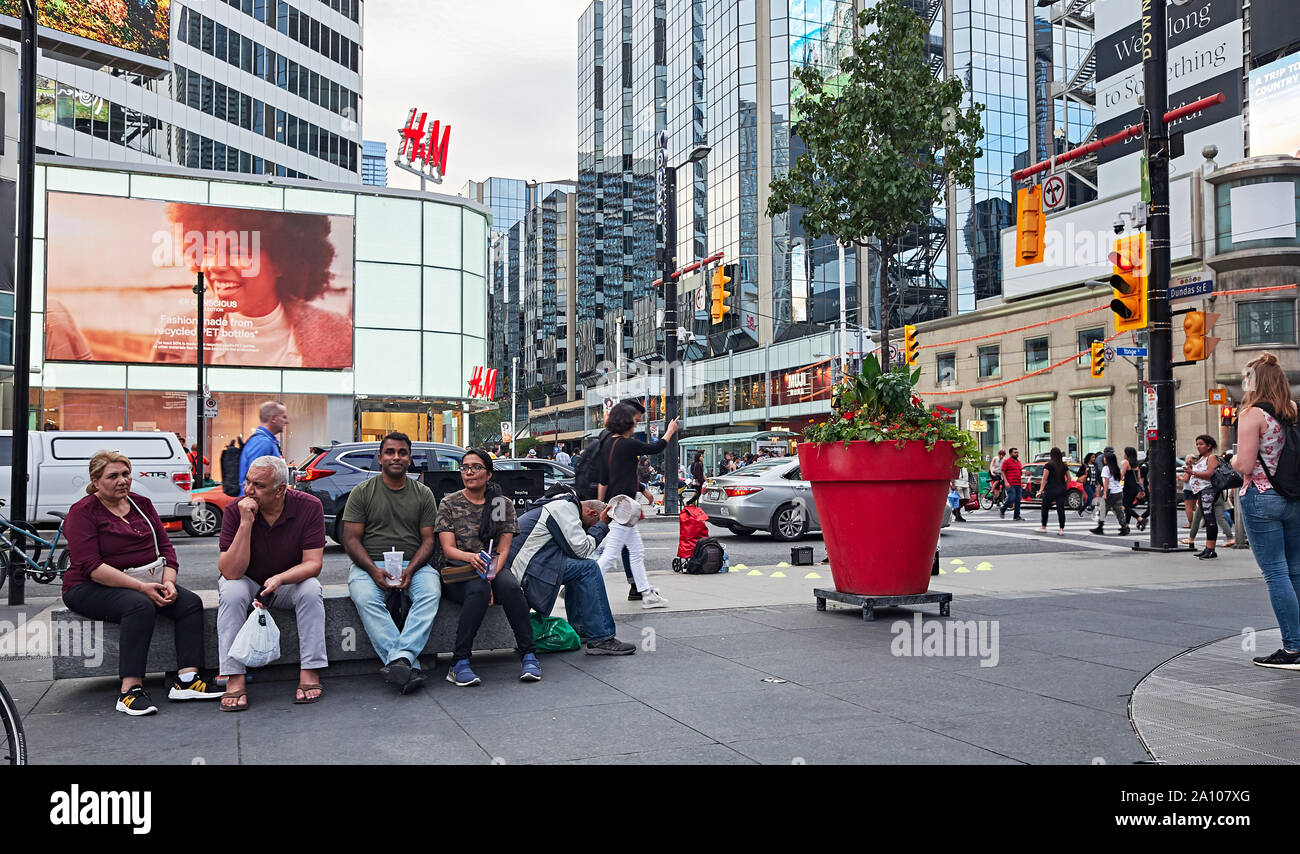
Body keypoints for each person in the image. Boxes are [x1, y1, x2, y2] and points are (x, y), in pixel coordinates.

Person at [61, 451, 222, 715]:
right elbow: (92, 567)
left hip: (146, 579)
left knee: (189, 602)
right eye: (113, 476)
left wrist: (168, 581)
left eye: (126, 474)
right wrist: (142, 588)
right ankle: (129, 690)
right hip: (89, 586)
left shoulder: (141, 504)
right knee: (139, 606)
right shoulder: (82, 512)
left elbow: (167, 549)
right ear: (96, 480)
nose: (122, 480)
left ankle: (186, 680)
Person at [150, 204, 352, 368]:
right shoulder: (177, 332)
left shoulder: (337, 332)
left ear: (280, 261)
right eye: (208, 251)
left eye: (238, 251)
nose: (216, 266)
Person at [217, 456, 328, 710]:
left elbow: (313, 564)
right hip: (246, 580)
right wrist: (246, 523)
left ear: (281, 490)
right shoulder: (236, 509)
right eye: (248, 482)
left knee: (311, 589)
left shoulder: (309, 506)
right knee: (232, 592)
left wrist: (280, 578)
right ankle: (234, 677)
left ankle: (310, 671)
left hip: (286, 582)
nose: (249, 490)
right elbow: (231, 572)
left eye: (258, 485)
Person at [342, 432, 441, 695]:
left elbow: (429, 541)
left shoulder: (423, 493)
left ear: (410, 459)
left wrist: (412, 569)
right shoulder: (362, 492)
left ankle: (400, 660)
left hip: (414, 565)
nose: (396, 457)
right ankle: (408, 663)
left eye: (402, 453)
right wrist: (373, 571)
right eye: (390, 452)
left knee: (431, 592)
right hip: (369, 564)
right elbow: (351, 540)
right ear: (380, 458)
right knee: (365, 598)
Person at [435, 449, 536, 686]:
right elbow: (448, 549)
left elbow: (503, 549)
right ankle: (459, 663)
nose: (469, 472)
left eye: (476, 467)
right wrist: (471, 559)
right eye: (464, 467)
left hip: (492, 569)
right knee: (478, 591)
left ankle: (529, 655)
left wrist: (489, 577)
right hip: (459, 572)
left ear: (489, 474)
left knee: (511, 587)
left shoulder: (502, 505)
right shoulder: (449, 503)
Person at [1231, 352, 1300, 668]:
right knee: (1296, 570)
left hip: (1261, 497)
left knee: (1275, 572)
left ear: (1255, 382)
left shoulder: (1251, 415)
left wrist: (1231, 460)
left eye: (1247, 377)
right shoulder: (1291, 412)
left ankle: (1292, 648)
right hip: (1293, 498)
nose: (1244, 383)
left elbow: (1244, 464)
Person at [505, 495, 636, 655]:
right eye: (593, 523)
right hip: (524, 567)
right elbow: (583, 550)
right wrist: (602, 525)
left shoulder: (564, 504)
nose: (586, 529)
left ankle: (582, 629)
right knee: (589, 568)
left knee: (579, 568)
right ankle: (602, 637)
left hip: (528, 562)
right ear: (592, 513)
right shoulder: (564, 510)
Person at [597, 403, 681, 607]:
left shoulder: (609, 444)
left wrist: (602, 505)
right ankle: (577, 587)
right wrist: (670, 431)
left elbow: (603, 478)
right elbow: (656, 447)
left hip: (617, 504)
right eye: (634, 420)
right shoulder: (628, 444)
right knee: (609, 556)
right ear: (627, 423)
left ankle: (646, 593)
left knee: (636, 551)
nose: (636, 423)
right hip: (624, 507)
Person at [1182, 435, 1222, 560]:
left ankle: (1211, 549)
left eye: (1201, 444)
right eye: (1197, 444)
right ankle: (1208, 548)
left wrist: (1192, 472)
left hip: (1208, 491)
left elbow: (1209, 474)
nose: (1198, 447)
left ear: (1209, 445)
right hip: (1201, 491)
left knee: (1209, 519)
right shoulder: (1202, 458)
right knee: (1206, 517)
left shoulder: (1212, 457)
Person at [238, 401, 287, 495]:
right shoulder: (263, 443)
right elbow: (254, 479)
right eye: (283, 417)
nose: (286, 421)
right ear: (273, 418)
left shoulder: (265, 441)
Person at [1091, 449, 1128, 536]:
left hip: (1110, 492)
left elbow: (1106, 481)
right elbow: (1120, 478)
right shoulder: (1116, 468)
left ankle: (1100, 527)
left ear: (1107, 460)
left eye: (1105, 458)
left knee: (1103, 509)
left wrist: (1104, 493)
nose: (1104, 459)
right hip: (1118, 491)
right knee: (1119, 510)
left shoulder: (1105, 468)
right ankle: (1124, 527)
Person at [1037, 448, 1069, 536]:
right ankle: (1061, 529)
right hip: (1061, 489)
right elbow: (1069, 479)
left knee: (1045, 507)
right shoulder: (1064, 465)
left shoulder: (1048, 465)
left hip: (1050, 489)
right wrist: (1064, 486)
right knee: (1061, 509)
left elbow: (1044, 478)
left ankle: (1043, 526)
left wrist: (1040, 490)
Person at [1120, 447, 1146, 533]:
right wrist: (1141, 490)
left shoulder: (1126, 463)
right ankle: (1126, 526)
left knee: (1123, 507)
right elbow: (1139, 478)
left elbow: (1121, 475)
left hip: (1128, 487)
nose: (1123, 454)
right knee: (1128, 506)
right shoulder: (1136, 464)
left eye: (1124, 453)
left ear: (1127, 454)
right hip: (1134, 487)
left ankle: (1140, 518)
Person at [998, 448, 1024, 520]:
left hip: (1018, 483)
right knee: (1011, 498)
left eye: (1017, 452)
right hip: (1010, 483)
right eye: (1015, 452)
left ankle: (1016, 516)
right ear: (1010, 454)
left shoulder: (1018, 462)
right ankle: (1002, 509)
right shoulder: (1007, 462)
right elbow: (1002, 472)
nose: (1017, 454)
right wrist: (1005, 481)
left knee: (1018, 500)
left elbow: (1020, 472)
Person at [1178, 452, 1198, 528]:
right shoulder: (1196, 467)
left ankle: (1190, 523)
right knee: (1194, 507)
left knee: (1188, 507)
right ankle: (1203, 519)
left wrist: (1179, 478)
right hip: (1195, 488)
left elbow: (1185, 479)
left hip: (1188, 489)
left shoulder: (1188, 468)